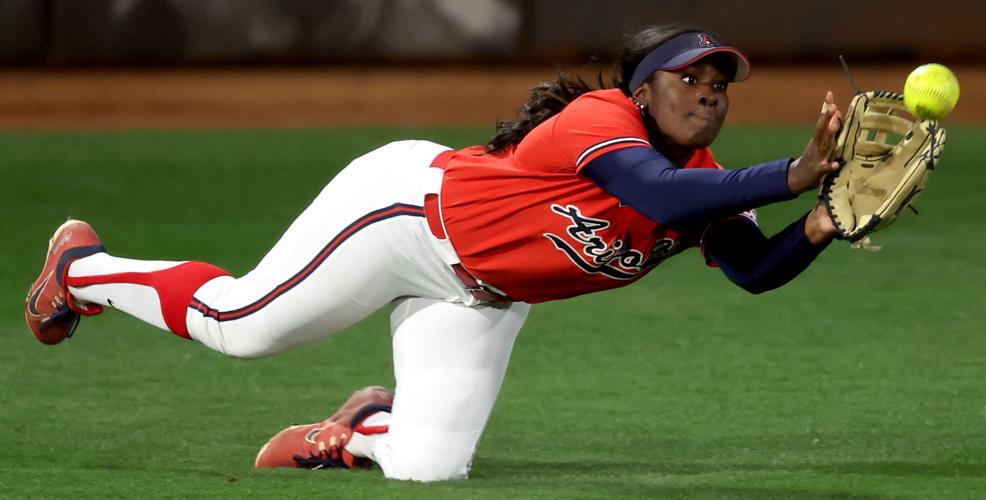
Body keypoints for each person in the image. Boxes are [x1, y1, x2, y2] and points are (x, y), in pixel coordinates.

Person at [24, 25, 843, 482]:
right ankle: (83, 271)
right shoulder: (604, 119)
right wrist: (797, 174)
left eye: (720, 83)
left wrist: (821, 221)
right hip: (404, 217)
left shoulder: (708, 183)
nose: (708, 91)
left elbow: (754, 271)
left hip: (480, 294)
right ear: (642, 91)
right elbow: (654, 195)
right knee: (241, 324)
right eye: (689, 77)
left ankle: (357, 428)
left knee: (427, 469)